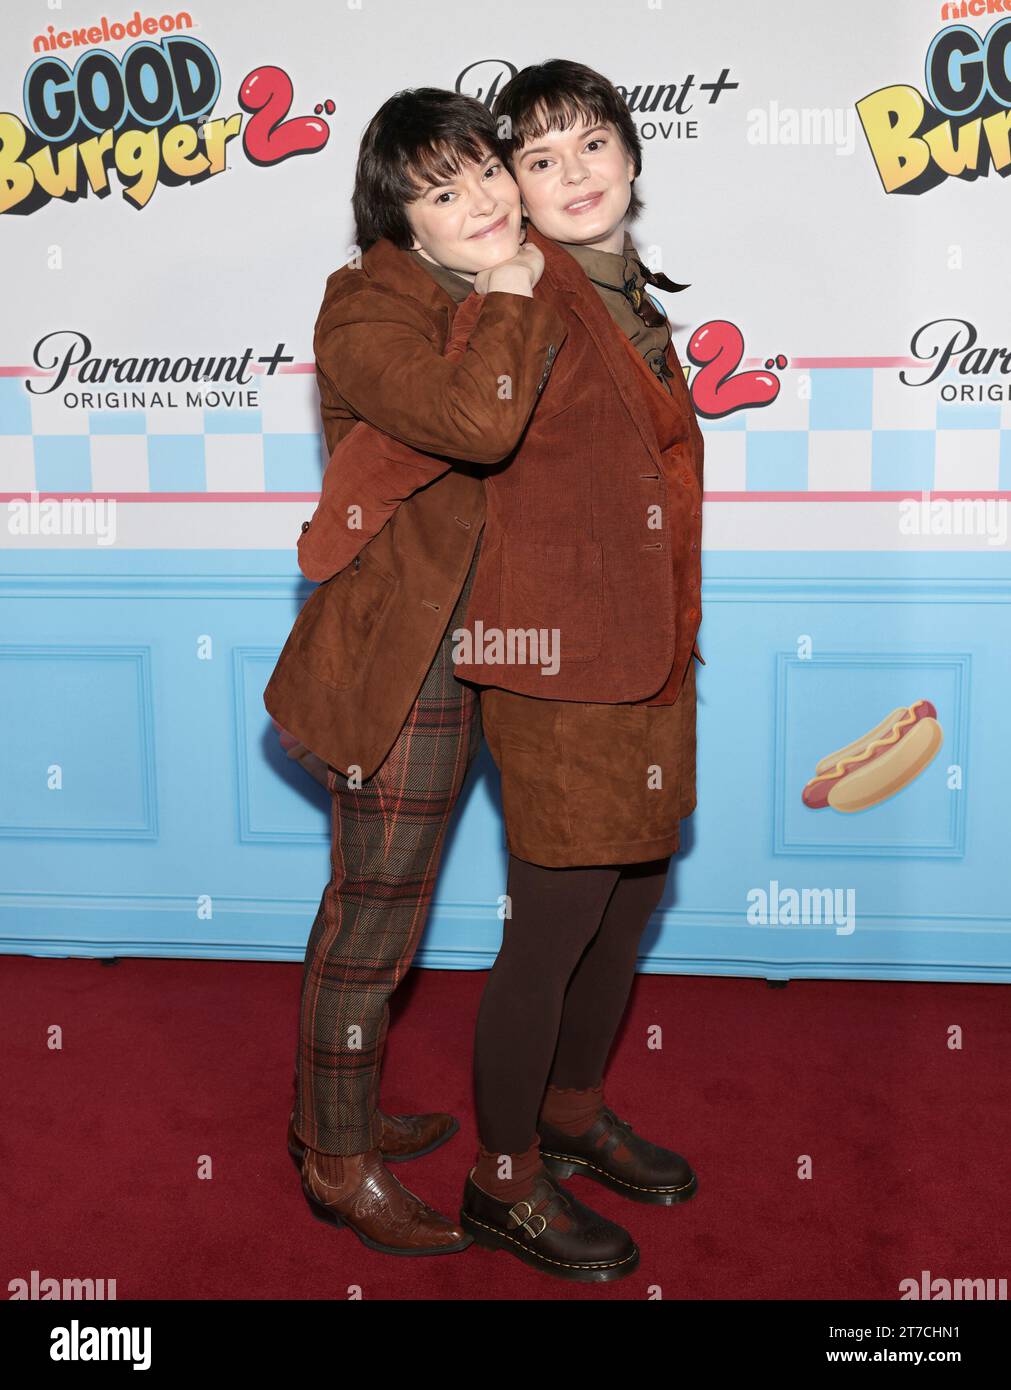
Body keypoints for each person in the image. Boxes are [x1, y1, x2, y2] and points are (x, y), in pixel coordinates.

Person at [264, 87, 567, 1257]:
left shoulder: (503, 282)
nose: (486, 197)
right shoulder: (365, 310)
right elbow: (477, 423)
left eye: (486, 169)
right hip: (409, 658)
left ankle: (327, 1111)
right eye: (445, 191)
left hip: (500, 638)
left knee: (377, 908)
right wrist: (507, 294)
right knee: (375, 920)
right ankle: (338, 1165)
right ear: (402, 223)